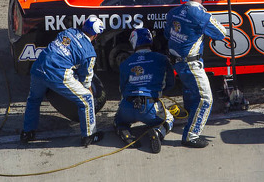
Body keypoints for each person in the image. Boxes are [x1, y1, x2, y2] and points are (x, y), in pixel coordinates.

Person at [20, 15, 106, 147]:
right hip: (57, 74)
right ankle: (89, 136)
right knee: (87, 99)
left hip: (38, 67)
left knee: (33, 99)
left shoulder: (69, 32)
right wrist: (89, 91)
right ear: (95, 35)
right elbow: (86, 80)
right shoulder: (90, 53)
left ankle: (27, 132)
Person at [164, 0, 227, 148]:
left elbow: (167, 34)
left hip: (176, 61)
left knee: (191, 91)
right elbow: (221, 33)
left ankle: (188, 115)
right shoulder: (201, 15)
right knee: (205, 99)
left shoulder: (174, 11)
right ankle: (191, 136)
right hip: (191, 63)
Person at [114, 28, 175, 154]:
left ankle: (123, 131)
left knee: (118, 120)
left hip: (127, 106)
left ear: (133, 42)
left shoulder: (125, 62)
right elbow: (170, 83)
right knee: (169, 118)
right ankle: (158, 133)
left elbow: (122, 88)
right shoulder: (162, 59)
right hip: (150, 107)